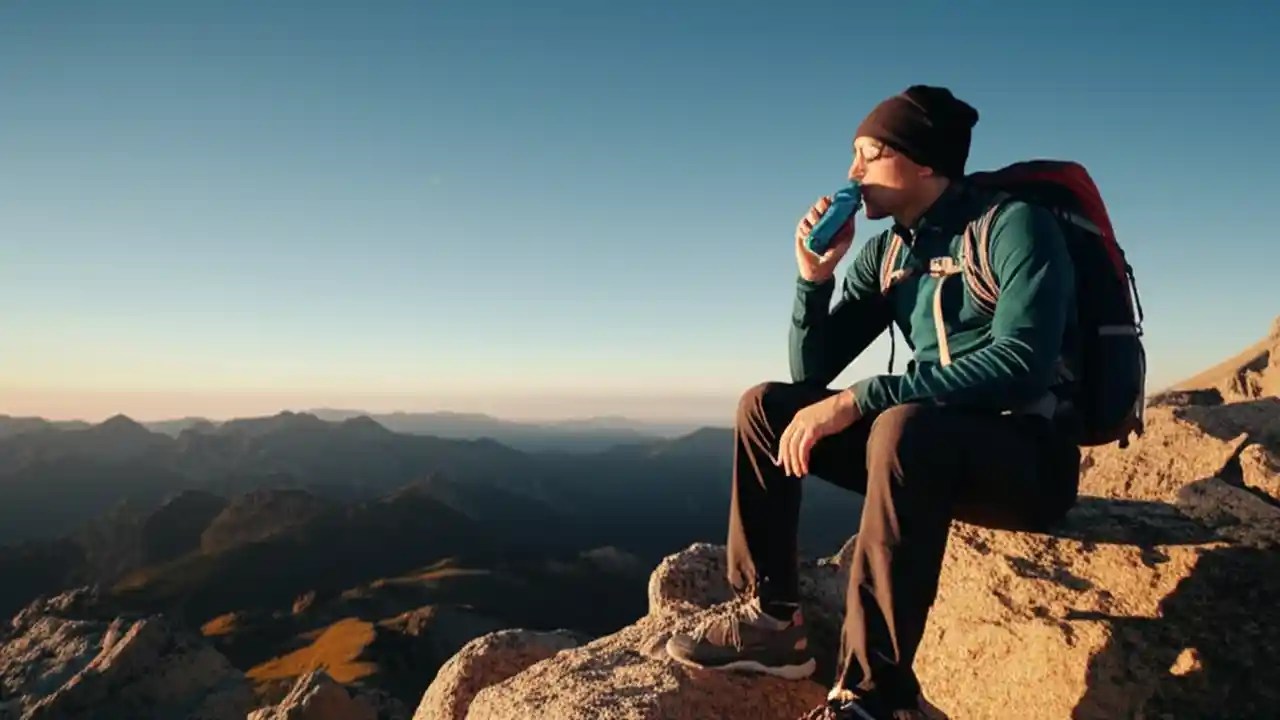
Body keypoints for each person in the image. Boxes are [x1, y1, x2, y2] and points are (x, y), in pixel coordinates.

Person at [665, 85, 1083, 720]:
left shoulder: (1015, 227)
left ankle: (870, 695)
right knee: (765, 408)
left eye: (869, 154)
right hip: (920, 454)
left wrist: (865, 398)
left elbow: (1021, 365)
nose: (852, 173)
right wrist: (814, 280)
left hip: (1024, 461)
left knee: (901, 425)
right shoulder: (890, 251)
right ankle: (772, 622)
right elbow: (810, 372)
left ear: (922, 162)